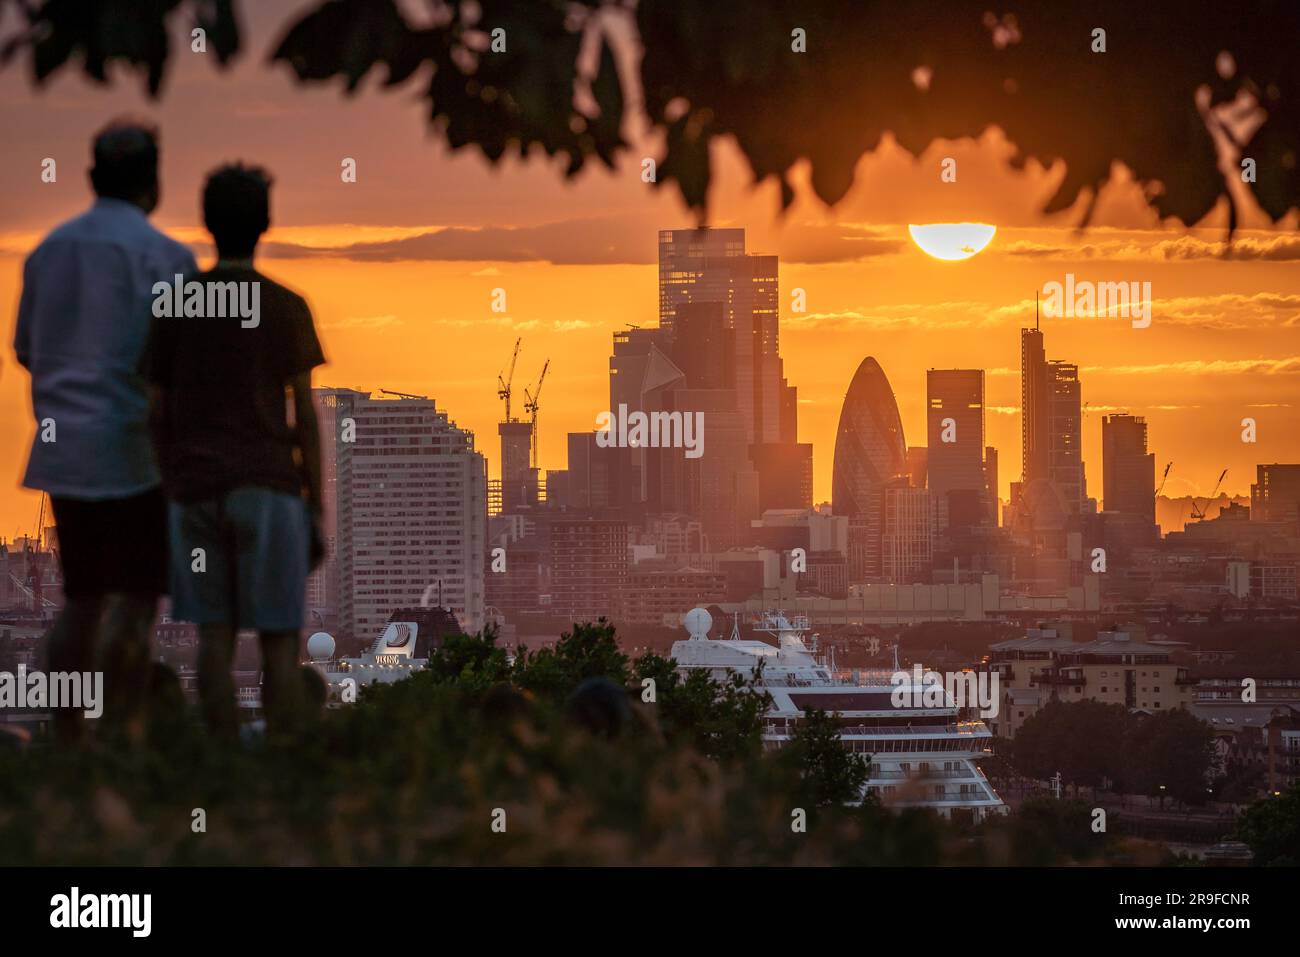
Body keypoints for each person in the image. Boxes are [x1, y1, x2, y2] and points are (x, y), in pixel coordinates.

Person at [14, 120, 197, 743]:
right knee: (137, 602)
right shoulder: (166, 258)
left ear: (92, 178)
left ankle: (68, 740)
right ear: (154, 183)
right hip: (135, 454)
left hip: (64, 453)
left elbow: (25, 350)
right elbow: (178, 369)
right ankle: (121, 733)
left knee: (82, 599)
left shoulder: (48, 252)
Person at [144, 163, 325, 738]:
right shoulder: (285, 307)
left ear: (206, 222)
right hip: (268, 490)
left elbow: (155, 412)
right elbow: (307, 417)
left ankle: (219, 761)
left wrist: (168, 483)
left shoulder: (176, 305)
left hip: (195, 492)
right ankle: (282, 766)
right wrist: (315, 501)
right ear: (266, 223)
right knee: (278, 639)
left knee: (213, 637)